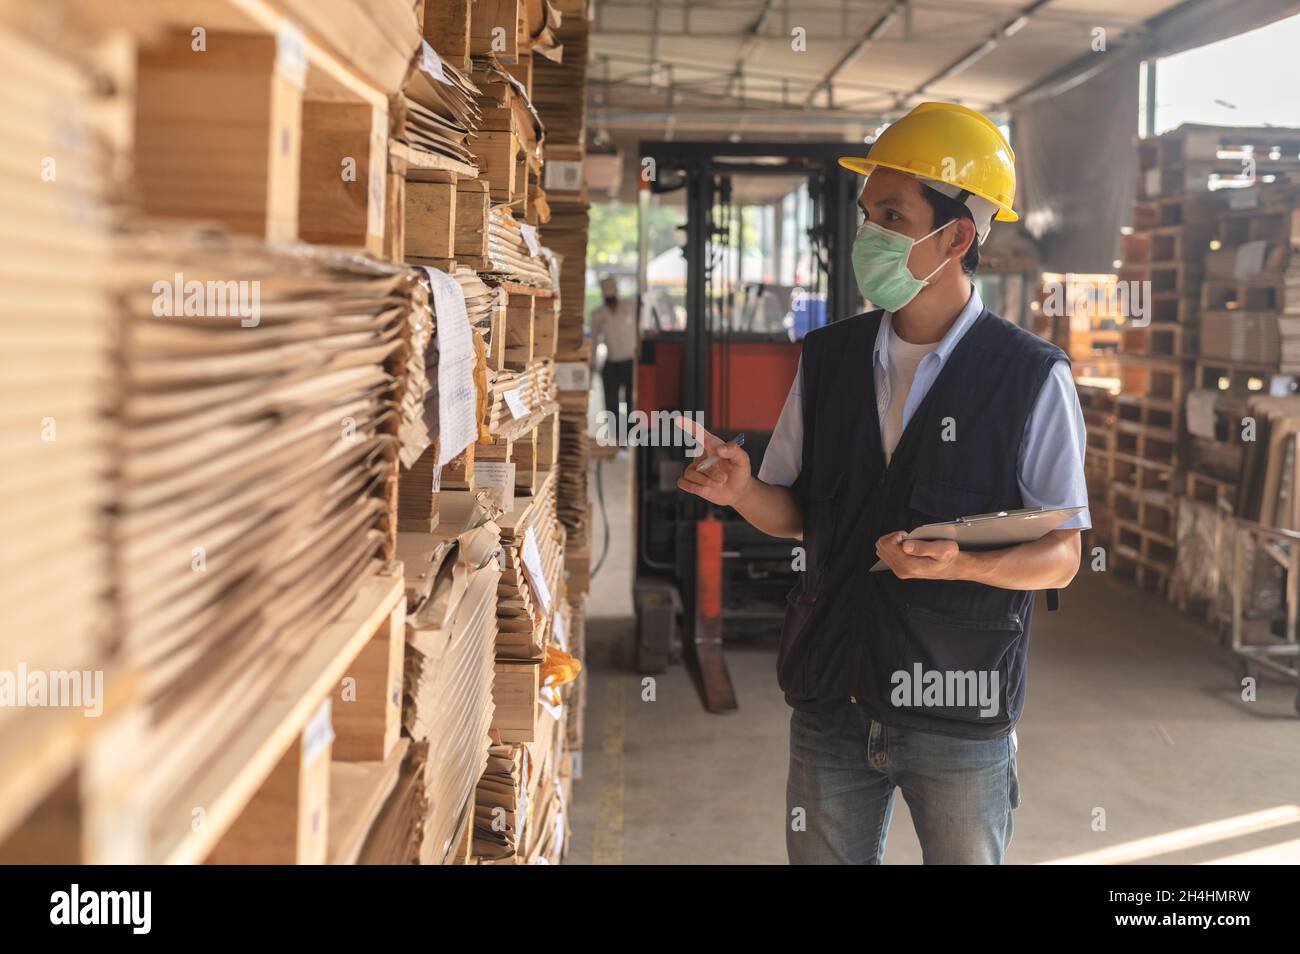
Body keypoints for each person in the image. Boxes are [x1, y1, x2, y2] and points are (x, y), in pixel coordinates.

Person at [675, 102, 1090, 865]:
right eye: (867, 212)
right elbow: (800, 517)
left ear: (957, 236)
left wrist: (965, 564)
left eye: (891, 214)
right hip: (832, 696)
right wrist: (742, 492)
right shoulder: (828, 358)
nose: (867, 233)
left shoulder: (1030, 377)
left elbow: (1062, 552)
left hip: (958, 707)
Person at [589, 275, 638, 423]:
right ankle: (614, 432)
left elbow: (641, 328)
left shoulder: (630, 306)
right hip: (611, 361)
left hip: (630, 360)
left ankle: (630, 431)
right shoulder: (598, 315)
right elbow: (594, 340)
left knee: (632, 400)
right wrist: (593, 361)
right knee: (611, 401)